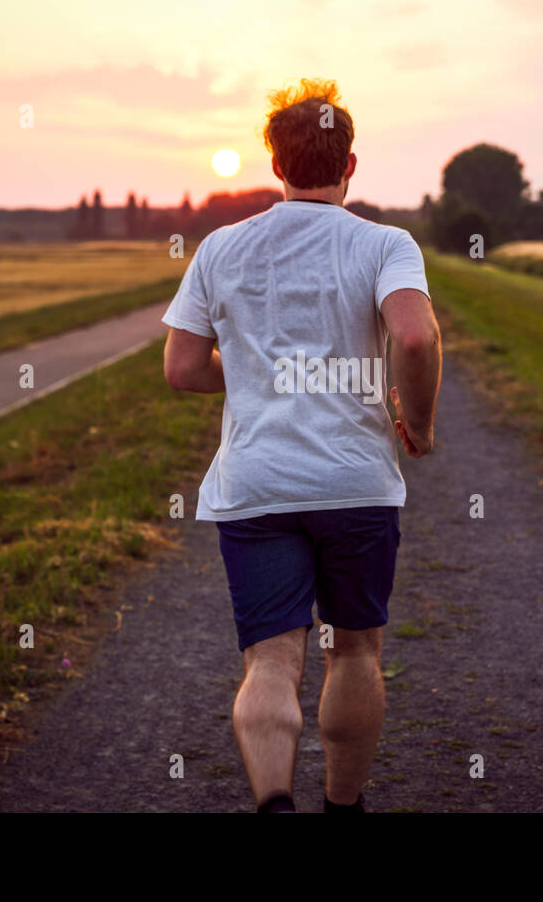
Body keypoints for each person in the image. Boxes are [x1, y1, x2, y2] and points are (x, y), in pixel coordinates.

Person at [161, 78, 442, 813]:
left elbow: (182, 369)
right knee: (353, 650)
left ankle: (274, 804)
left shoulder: (222, 248)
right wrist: (421, 421)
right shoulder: (384, 243)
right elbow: (415, 335)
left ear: (275, 162)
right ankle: (343, 807)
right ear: (350, 163)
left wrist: (257, 371)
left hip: (257, 488)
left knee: (272, 660)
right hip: (356, 486)